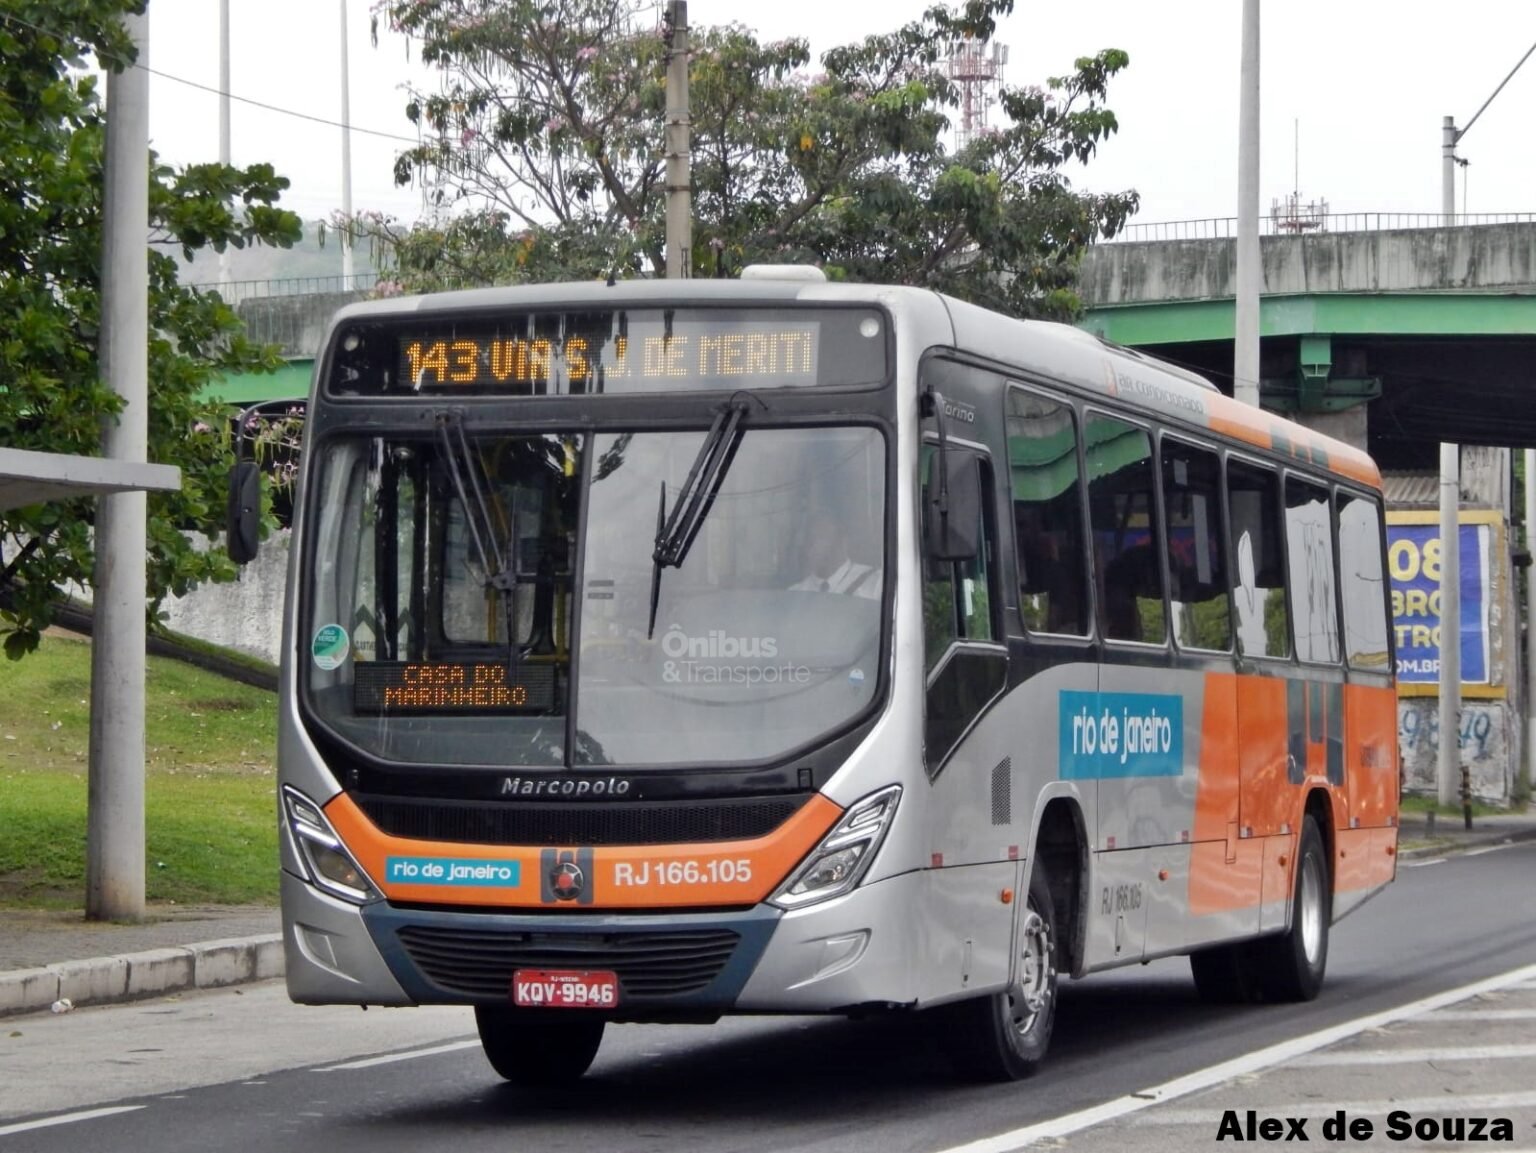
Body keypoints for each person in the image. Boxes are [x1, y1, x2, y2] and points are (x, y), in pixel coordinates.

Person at [788, 512, 882, 599]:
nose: (813, 545)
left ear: (842, 542)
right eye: (809, 539)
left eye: (821, 537)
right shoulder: (795, 594)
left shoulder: (875, 582)